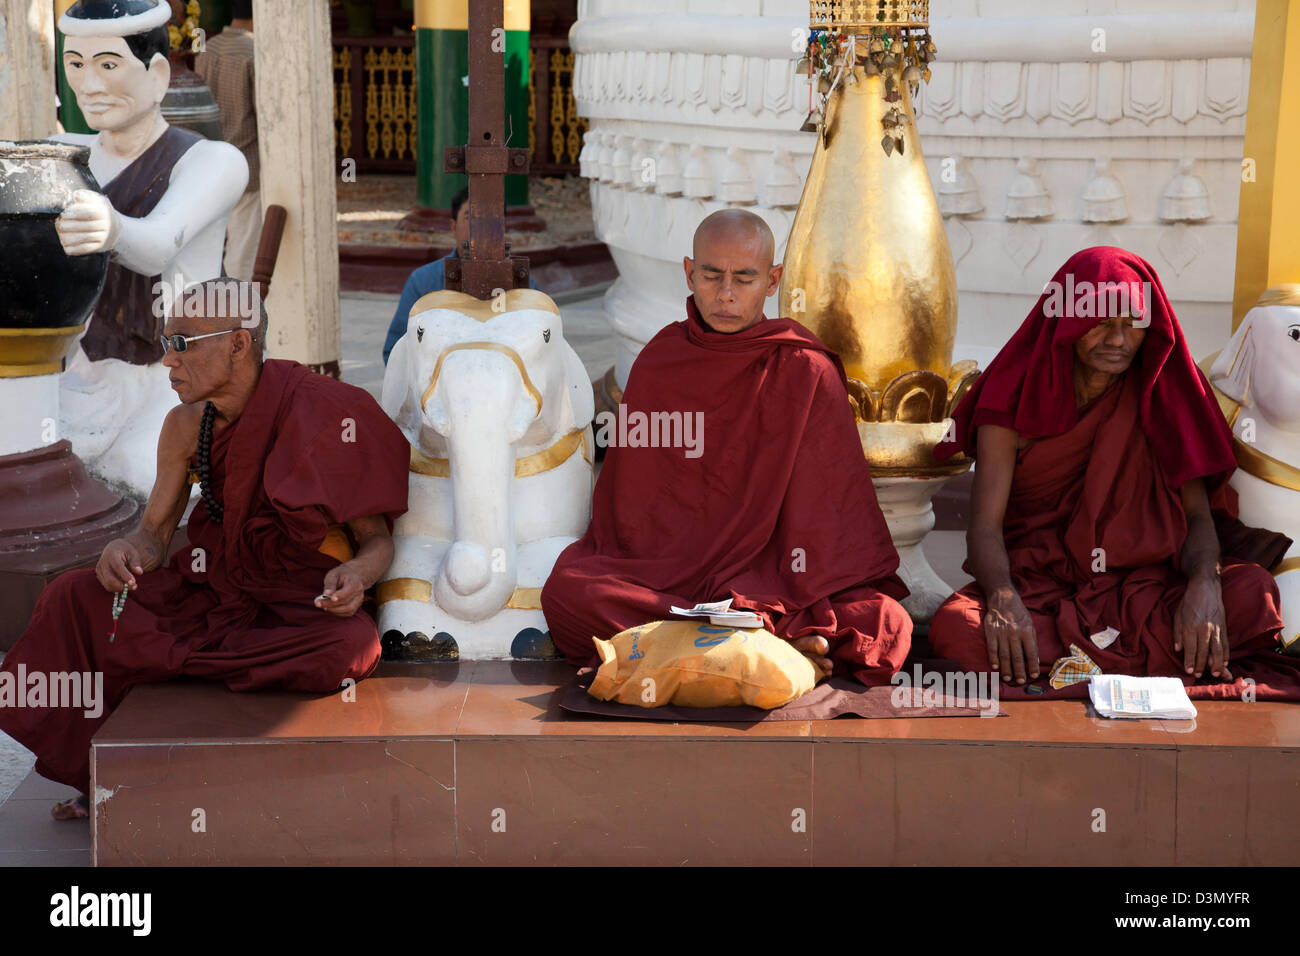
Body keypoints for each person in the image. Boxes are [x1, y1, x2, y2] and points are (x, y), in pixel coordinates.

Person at [0, 279, 410, 820]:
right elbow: (154, 536)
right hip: (210, 590)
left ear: (238, 344)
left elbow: (377, 539)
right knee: (70, 597)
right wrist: (122, 550)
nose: (167, 360)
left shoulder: (326, 411)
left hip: (295, 604)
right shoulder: (184, 425)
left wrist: (356, 577)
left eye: (183, 343)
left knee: (348, 648)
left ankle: (176, 663)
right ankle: (96, 766)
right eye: (166, 341)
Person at [541, 209, 912, 685]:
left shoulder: (803, 367)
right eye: (712, 275)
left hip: (773, 579)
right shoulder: (662, 359)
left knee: (883, 623)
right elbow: (630, 509)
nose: (727, 293)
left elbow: (828, 512)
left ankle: (710, 644)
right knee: (571, 594)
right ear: (689, 273)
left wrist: (762, 588)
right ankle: (763, 646)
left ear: (773, 280)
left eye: (745, 278)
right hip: (666, 578)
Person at [929, 246, 1296, 693]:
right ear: (1068, 319)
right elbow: (984, 527)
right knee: (956, 628)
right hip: (1043, 587)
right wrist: (1004, 599)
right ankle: (1149, 667)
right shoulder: (1014, 396)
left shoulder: (1169, 394)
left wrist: (1204, 584)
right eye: (1101, 323)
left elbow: (1198, 516)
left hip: (1148, 590)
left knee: (1252, 592)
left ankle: (1076, 667)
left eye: (1132, 324)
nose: (1118, 340)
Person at [53, 0, 248, 498]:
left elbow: (159, 244)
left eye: (108, 65)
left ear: (157, 73)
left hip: (174, 376)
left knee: (139, 479)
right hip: (83, 371)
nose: (89, 85)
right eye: (75, 65)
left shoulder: (211, 163)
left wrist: (112, 227)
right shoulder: (66, 158)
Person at [381, 186, 538, 364]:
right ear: (453, 227)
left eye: (490, 219)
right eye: (469, 217)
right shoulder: (423, 282)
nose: (480, 227)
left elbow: (542, 348)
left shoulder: (522, 283)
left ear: (503, 227)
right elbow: (394, 351)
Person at [195, 0, 259, 280]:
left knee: (209, 250)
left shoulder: (206, 50)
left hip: (209, 165)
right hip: (248, 166)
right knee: (243, 253)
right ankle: (233, 318)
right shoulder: (255, 52)